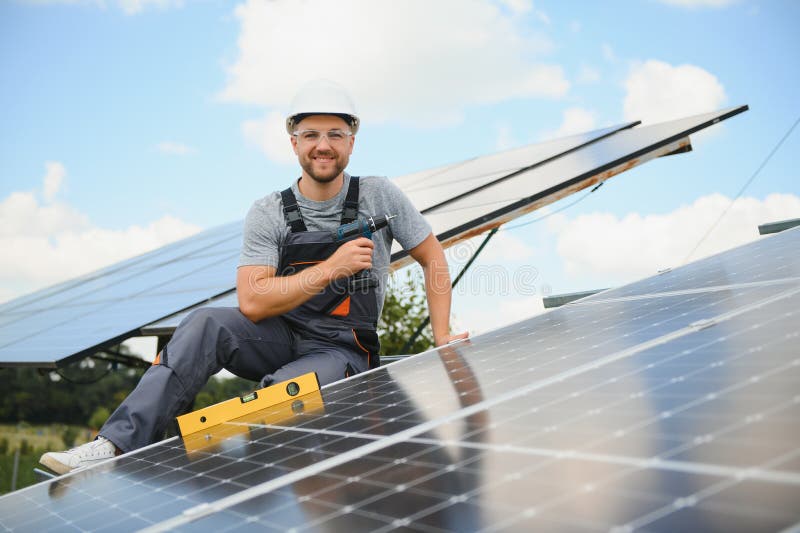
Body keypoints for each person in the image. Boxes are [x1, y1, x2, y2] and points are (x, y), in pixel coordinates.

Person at [40, 79, 468, 475]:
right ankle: (113, 445)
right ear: (294, 142)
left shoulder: (380, 195)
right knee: (203, 324)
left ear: (352, 142)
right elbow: (253, 302)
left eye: (335, 134)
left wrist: (441, 333)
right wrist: (331, 268)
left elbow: (433, 259)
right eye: (312, 135)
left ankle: (213, 466)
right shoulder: (269, 212)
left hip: (342, 351)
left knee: (281, 394)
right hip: (278, 335)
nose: (324, 145)